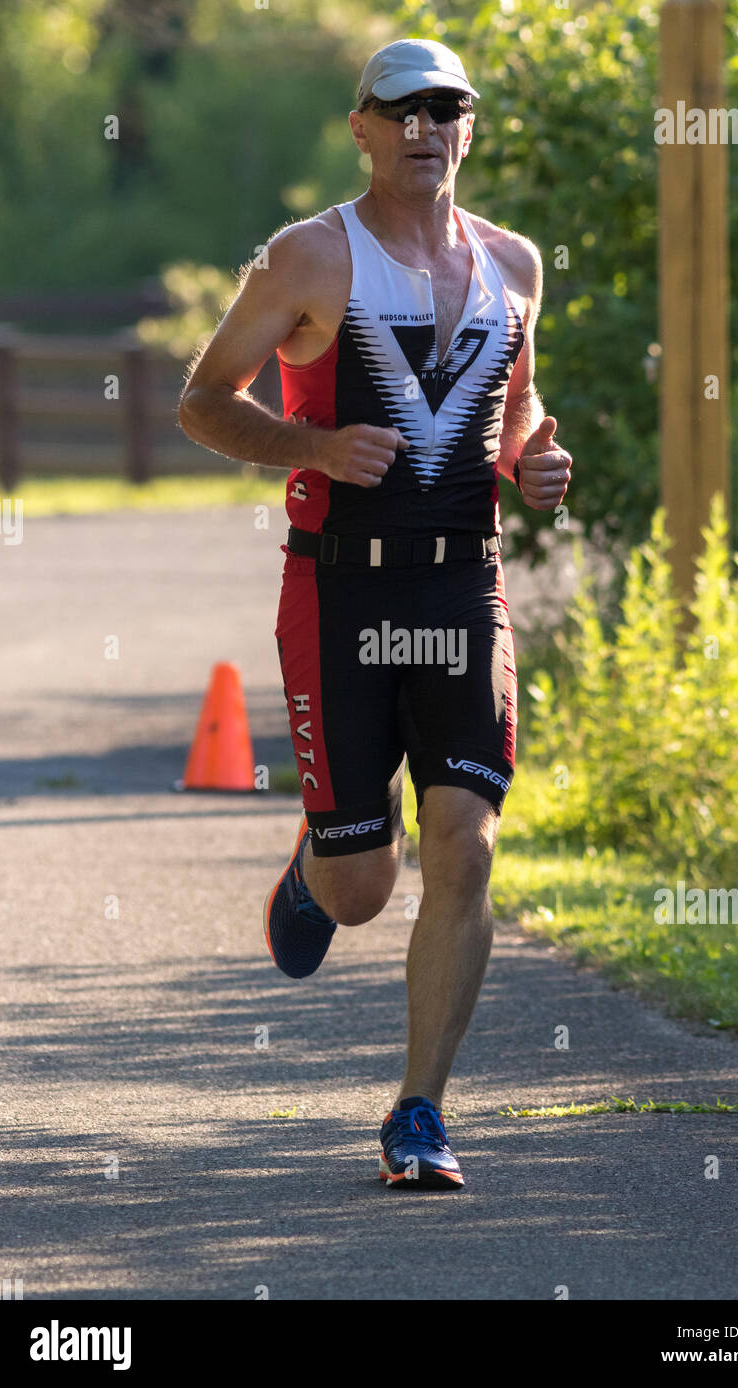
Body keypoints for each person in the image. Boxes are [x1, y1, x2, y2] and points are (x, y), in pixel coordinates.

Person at [179, 38, 572, 1190]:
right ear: (359, 126)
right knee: (365, 888)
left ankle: (418, 1113)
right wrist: (308, 445)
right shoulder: (309, 257)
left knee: (467, 843)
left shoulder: (513, 263)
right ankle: (317, 868)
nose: (423, 130)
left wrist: (531, 461)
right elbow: (205, 400)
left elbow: (515, 405)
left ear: (468, 126)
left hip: (460, 580)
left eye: (444, 110)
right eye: (400, 111)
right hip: (338, 585)